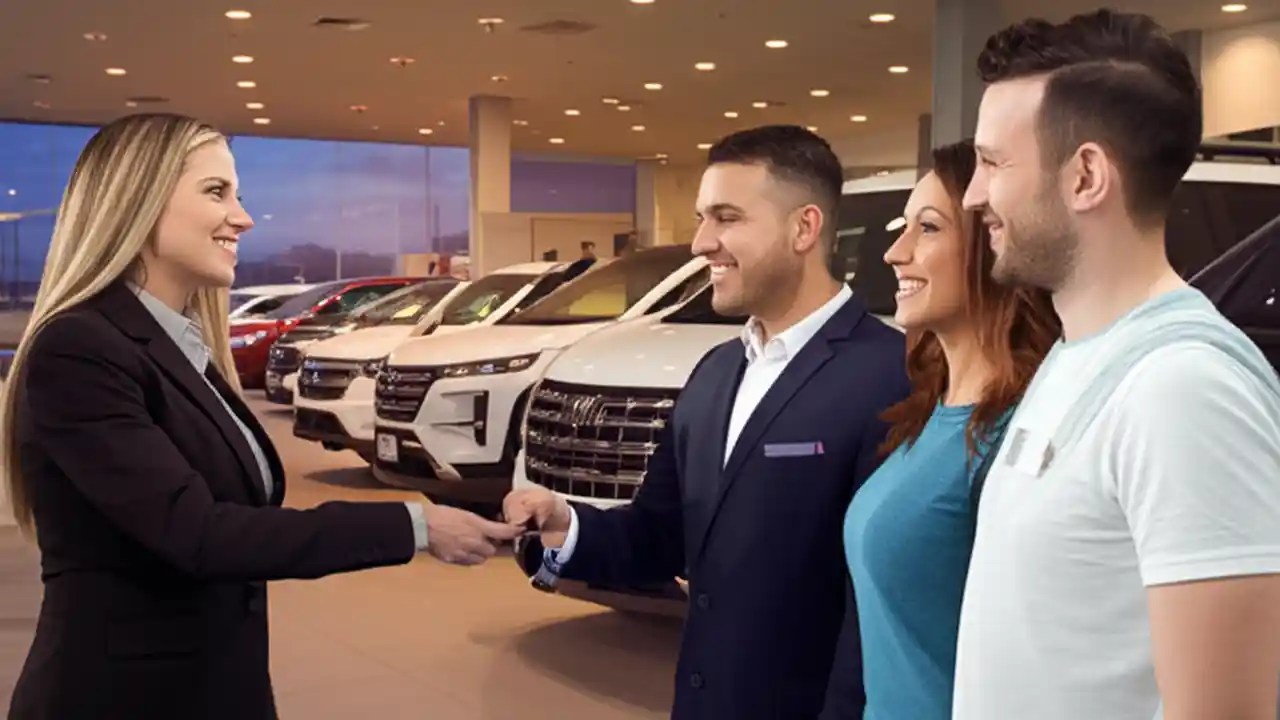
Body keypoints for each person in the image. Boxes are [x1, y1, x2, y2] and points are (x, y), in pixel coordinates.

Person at [0, 113, 519, 719]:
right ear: (138, 199)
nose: (242, 218)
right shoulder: (82, 349)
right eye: (216, 192)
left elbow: (237, 522)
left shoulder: (182, 347)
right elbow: (199, 534)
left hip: (213, 684)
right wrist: (416, 528)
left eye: (237, 195)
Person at [504, 125, 911, 719]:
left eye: (726, 218)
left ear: (805, 228)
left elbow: (877, 610)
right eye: (702, 218)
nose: (701, 242)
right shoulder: (715, 373)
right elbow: (660, 535)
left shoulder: (891, 377)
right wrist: (564, 525)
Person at [953, 10, 1280, 720]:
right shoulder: (1078, 355)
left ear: (1088, 176)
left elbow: (1228, 711)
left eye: (992, 162)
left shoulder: (1185, 389)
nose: (975, 194)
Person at [842, 139, 1059, 719]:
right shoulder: (931, 410)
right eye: (903, 226)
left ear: (994, 241)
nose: (894, 252)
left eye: (929, 228)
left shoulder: (1023, 432)